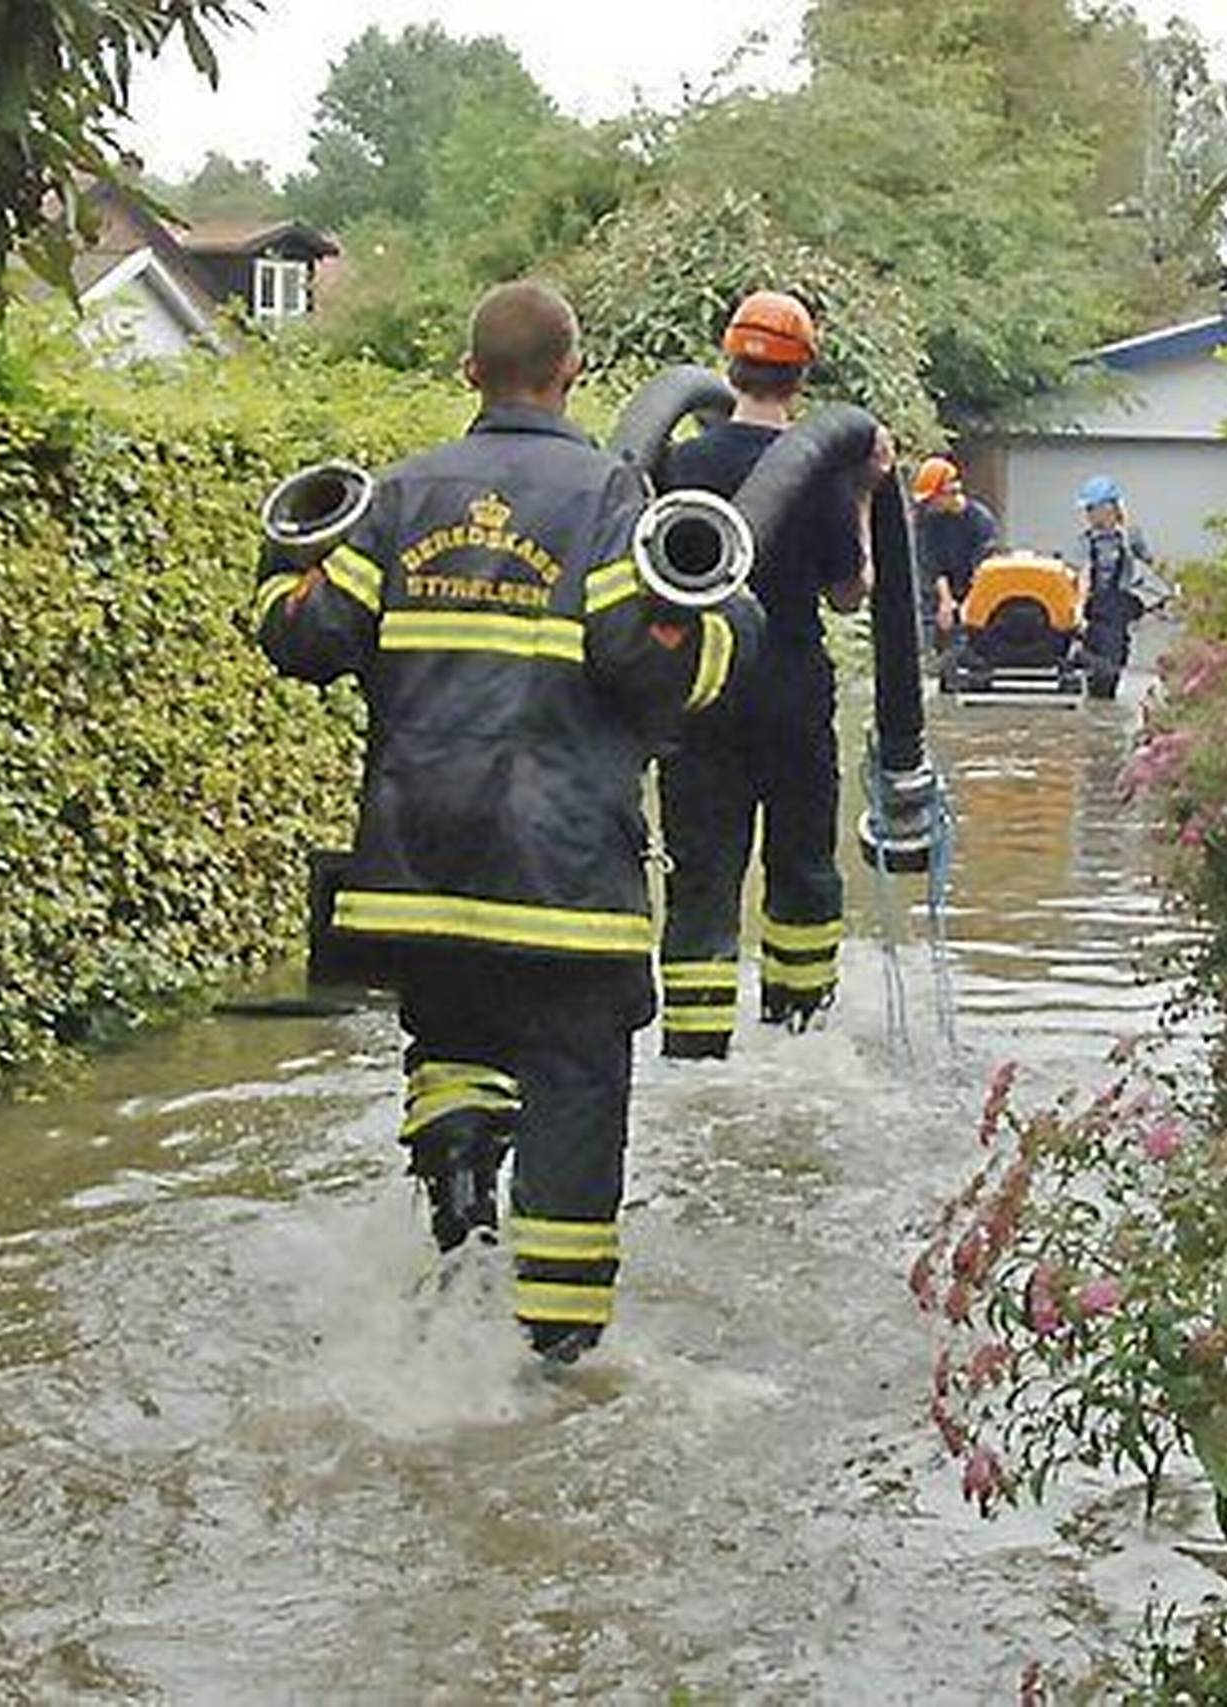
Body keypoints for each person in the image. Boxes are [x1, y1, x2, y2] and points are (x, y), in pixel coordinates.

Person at [252, 280, 755, 1363]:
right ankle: (552, 1368)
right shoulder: (613, 496)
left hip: (418, 877)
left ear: (469, 373)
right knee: (574, 1094)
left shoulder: (397, 496)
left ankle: (462, 1205)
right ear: (571, 374)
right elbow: (645, 665)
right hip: (564, 889)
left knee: (451, 1042)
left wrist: (275, 567)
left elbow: (306, 637)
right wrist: (725, 628)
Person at [656, 290, 888, 1059]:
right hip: (789, 685)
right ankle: (800, 1027)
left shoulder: (680, 464)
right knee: (802, 862)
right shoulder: (823, 473)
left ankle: (693, 1045)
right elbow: (850, 595)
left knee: (701, 871)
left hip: (700, 690)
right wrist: (861, 496)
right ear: (802, 377)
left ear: (730, 363)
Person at [1069, 475, 1171, 699]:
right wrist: (1078, 610)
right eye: (1086, 510)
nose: (1088, 515)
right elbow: (1083, 575)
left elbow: (1151, 562)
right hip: (1094, 609)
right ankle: (1078, 658)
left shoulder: (1129, 536)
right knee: (1102, 674)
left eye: (1091, 508)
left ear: (1109, 508)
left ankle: (1102, 712)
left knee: (1114, 666)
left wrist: (1171, 590)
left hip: (1119, 607)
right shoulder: (1085, 541)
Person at [909, 455, 998, 653]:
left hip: (975, 588)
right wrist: (946, 601)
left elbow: (982, 571)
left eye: (932, 499)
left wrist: (966, 606)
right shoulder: (929, 520)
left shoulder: (981, 521)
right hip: (941, 589)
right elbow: (932, 562)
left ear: (949, 492)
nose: (929, 505)